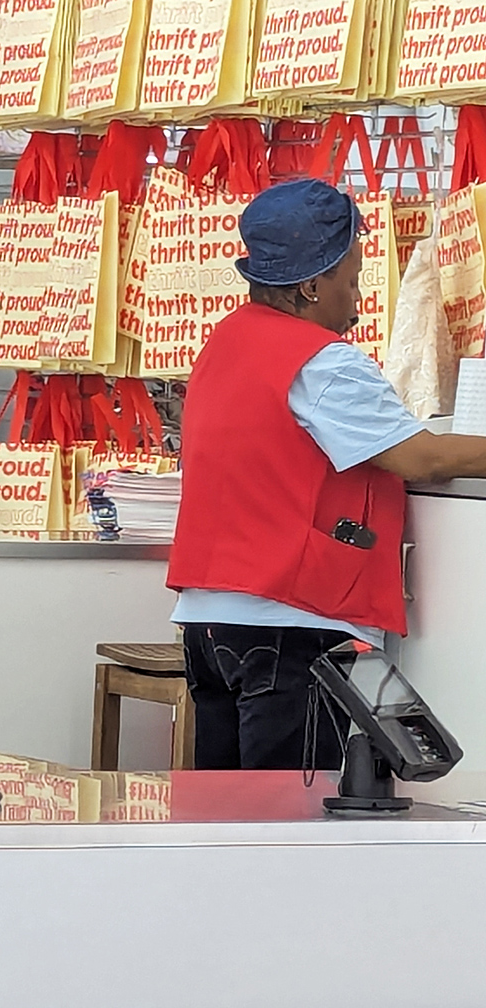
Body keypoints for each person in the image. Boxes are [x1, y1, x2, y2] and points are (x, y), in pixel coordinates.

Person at [168, 178, 486, 772]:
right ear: (312, 285)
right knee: (295, 818)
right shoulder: (322, 361)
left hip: (210, 620)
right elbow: (420, 458)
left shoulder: (227, 342)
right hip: (292, 622)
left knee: (225, 815)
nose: (357, 296)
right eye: (351, 277)